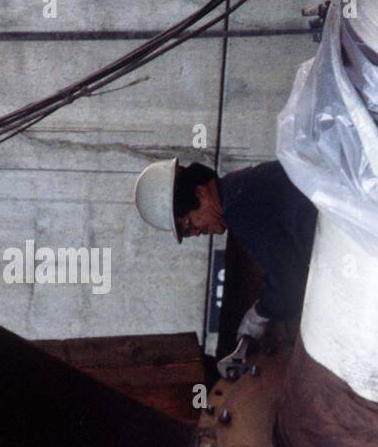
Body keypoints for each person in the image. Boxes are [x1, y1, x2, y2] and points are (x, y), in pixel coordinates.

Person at [134, 158, 317, 369]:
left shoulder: (239, 209)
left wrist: (260, 315)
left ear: (200, 193)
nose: (196, 233)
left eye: (187, 224)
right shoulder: (242, 186)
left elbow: (289, 288)